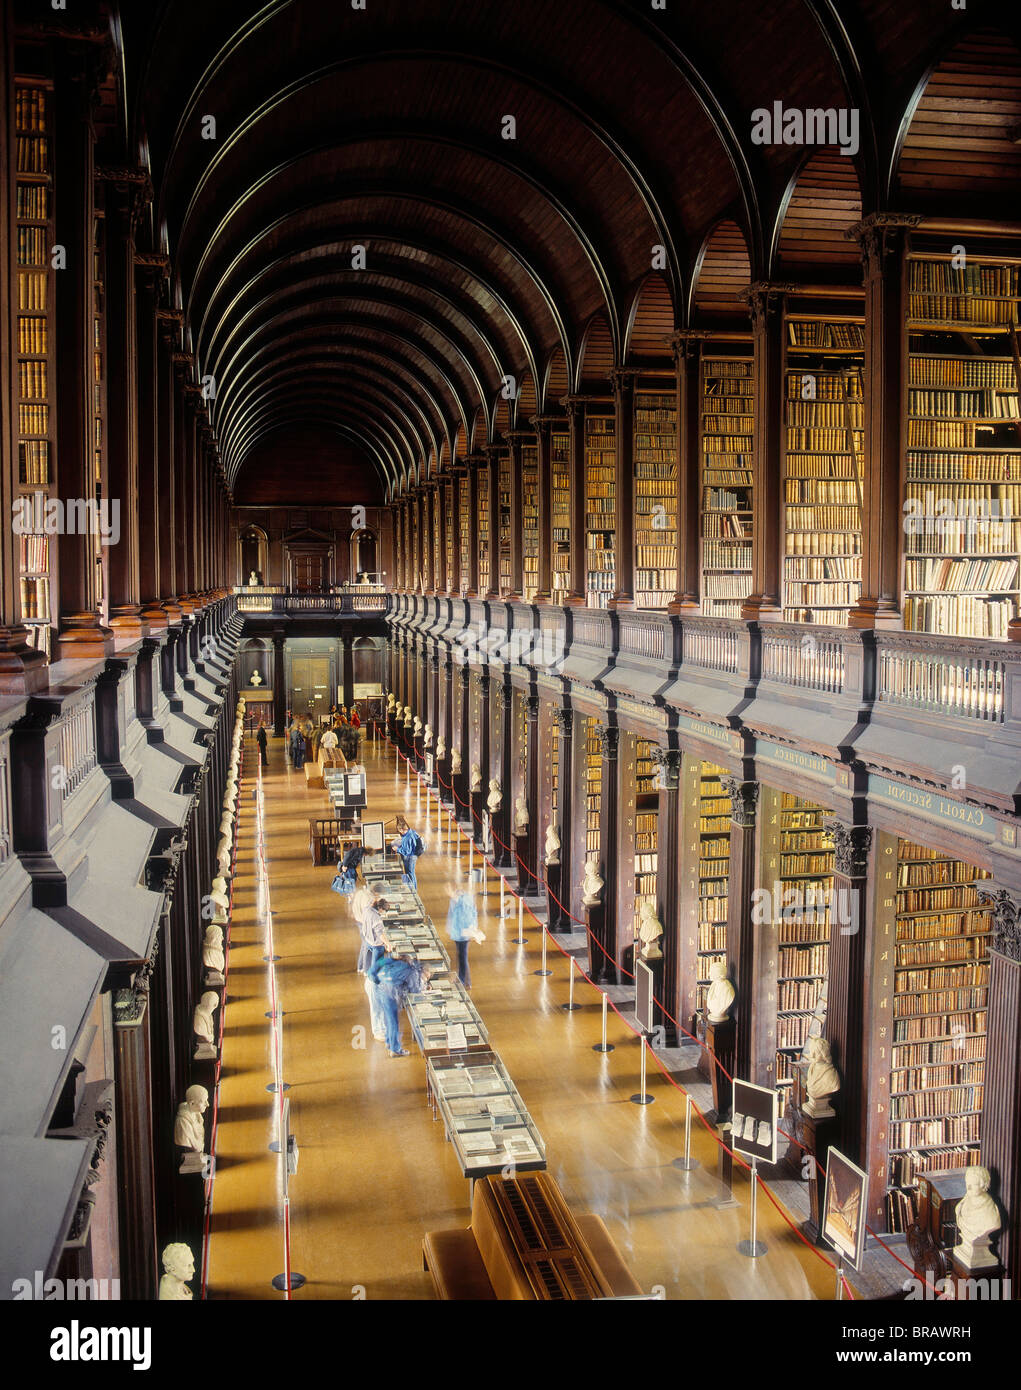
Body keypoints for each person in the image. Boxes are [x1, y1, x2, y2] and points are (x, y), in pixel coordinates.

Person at [368, 951, 430, 1057]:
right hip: (391, 994)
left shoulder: (391, 961)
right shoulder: (412, 971)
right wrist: (425, 987)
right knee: (393, 1021)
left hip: (380, 989)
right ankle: (395, 1050)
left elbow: (376, 967)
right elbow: (415, 990)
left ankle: (389, 1042)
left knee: (388, 1018)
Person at [446, 883, 484, 988]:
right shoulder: (468, 900)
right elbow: (474, 914)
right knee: (461, 956)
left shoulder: (459, 901)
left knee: (462, 957)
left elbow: (455, 916)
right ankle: (465, 981)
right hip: (464, 933)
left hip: (460, 933)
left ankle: (464, 981)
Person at [391, 815, 424, 890]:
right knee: (411, 873)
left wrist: (397, 849)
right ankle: (411, 888)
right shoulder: (412, 832)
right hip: (413, 856)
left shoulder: (408, 837)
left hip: (410, 857)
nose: (399, 833)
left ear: (402, 829)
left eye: (399, 831)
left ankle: (412, 890)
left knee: (409, 874)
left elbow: (407, 851)